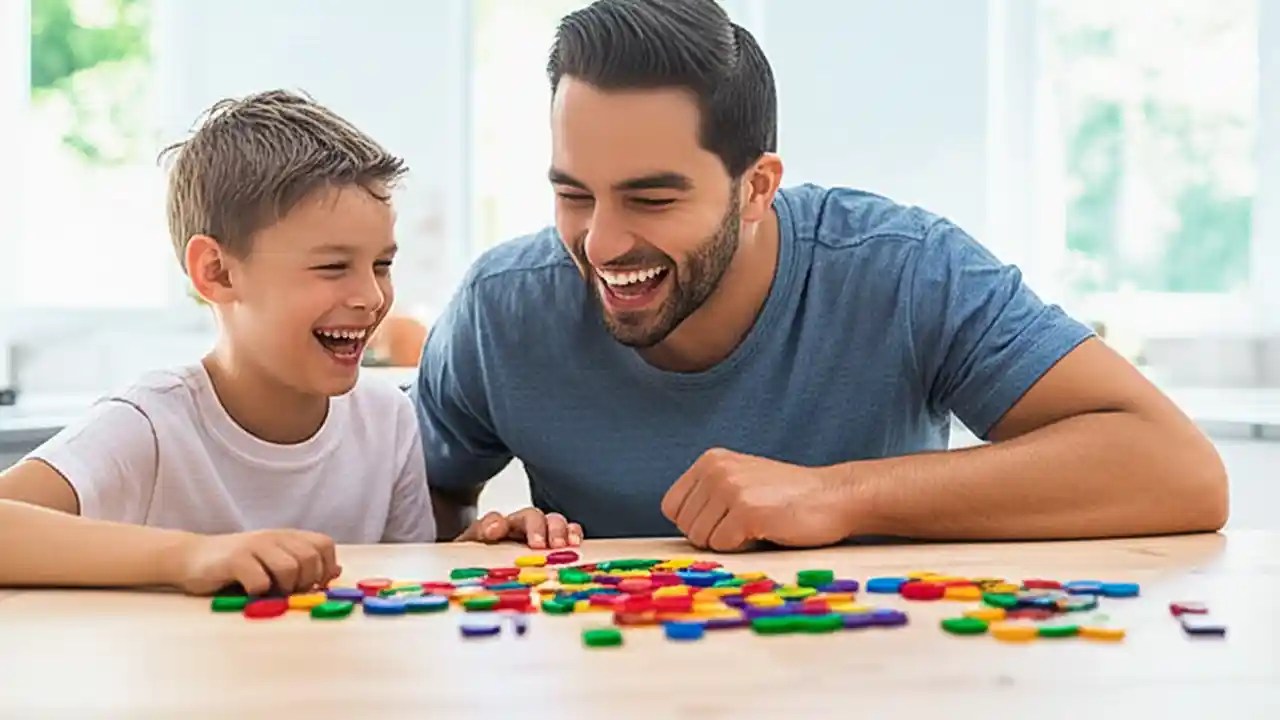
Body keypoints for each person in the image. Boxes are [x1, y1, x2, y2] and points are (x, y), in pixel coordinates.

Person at [416, 0, 1228, 551]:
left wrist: (839, 494)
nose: (600, 241)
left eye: (652, 197)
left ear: (757, 188)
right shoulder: (500, 309)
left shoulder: (903, 270)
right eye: (572, 194)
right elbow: (417, 506)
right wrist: (482, 539)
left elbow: (1178, 472)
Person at [0, 90, 571, 598]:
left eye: (381, 264)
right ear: (218, 272)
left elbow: (403, 586)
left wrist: (473, 554)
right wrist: (190, 556)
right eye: (332, 266)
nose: (371, 296)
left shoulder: (387, 420)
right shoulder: (151, 425)